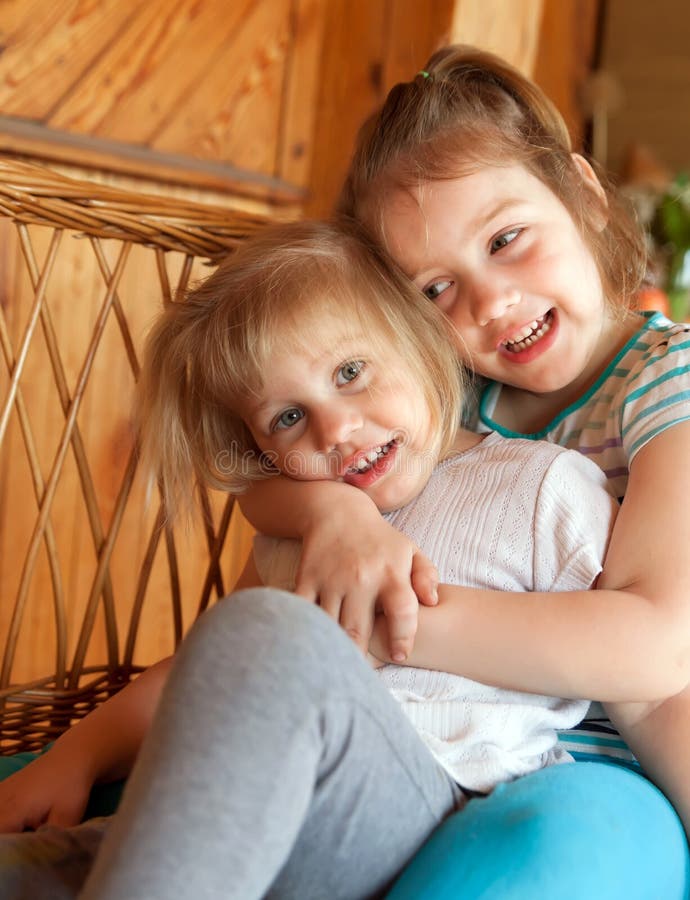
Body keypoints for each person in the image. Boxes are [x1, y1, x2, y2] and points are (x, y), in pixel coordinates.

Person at [1, 220, 682, 900]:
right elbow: (207, 677)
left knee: (261, 629)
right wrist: (76, 758)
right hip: (263, 817)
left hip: (433, 802)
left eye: (351, 373)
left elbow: (649, 691)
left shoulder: (543, 489)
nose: (334, 429)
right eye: (288, 419)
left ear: (420, 342)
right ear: (263, 450)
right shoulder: (303, 523)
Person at [233, 44, 690, 889]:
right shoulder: (450, 397)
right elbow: (266, 487)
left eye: (507, 239)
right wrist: (336, 517)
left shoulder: (668, 384)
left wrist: (380, 620)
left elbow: (655, 646)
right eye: (435, 291)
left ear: (584, 198)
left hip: (605, 774)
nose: (489, 301)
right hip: (433, 747)